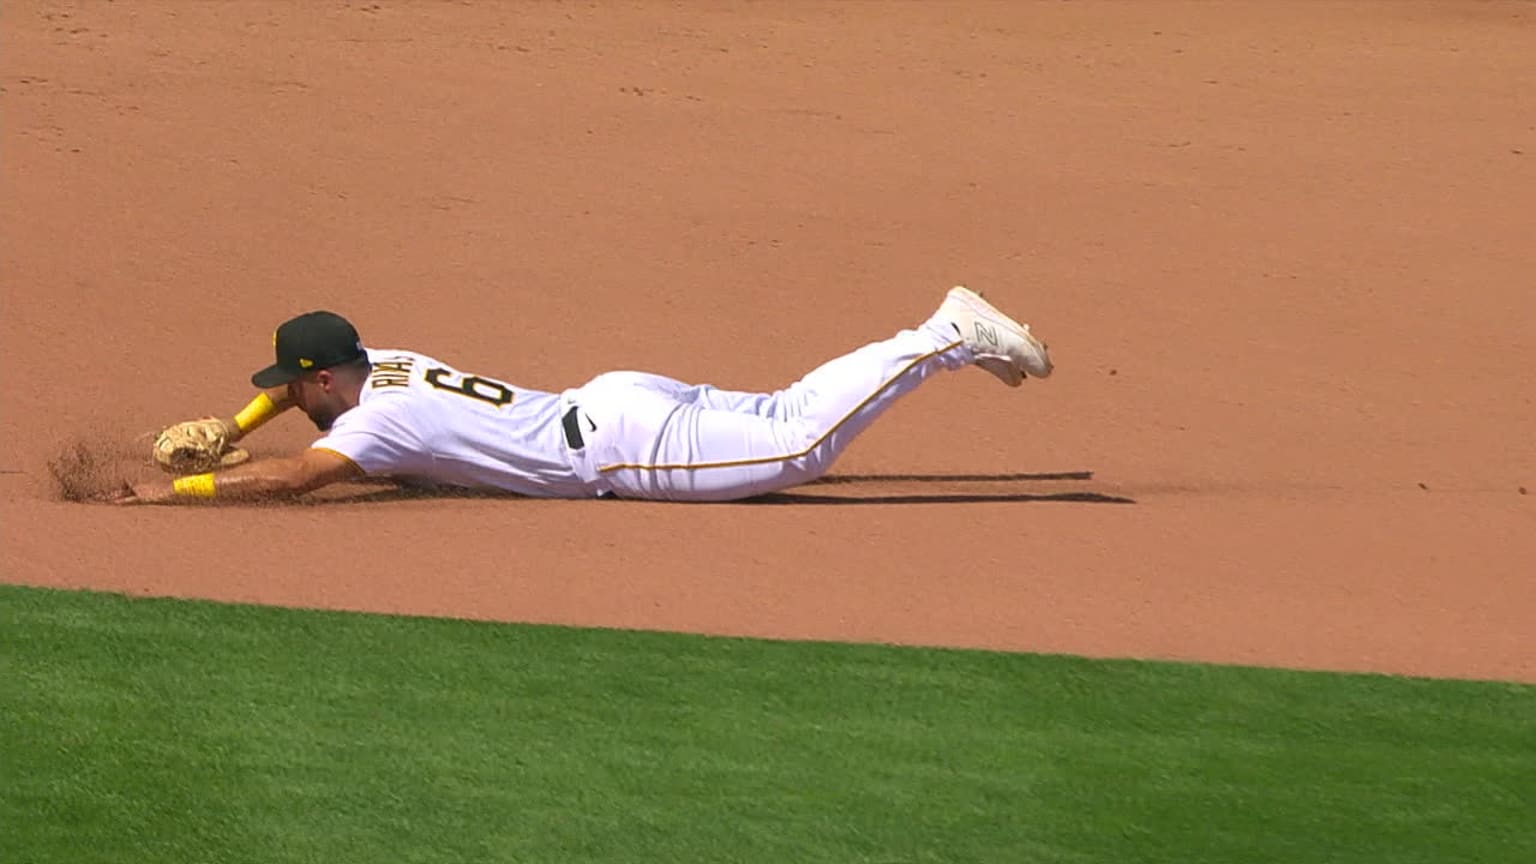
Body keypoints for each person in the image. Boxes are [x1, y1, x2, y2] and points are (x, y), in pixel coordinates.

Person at [108, 286, 1052, 505]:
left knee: (800, 447)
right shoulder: (383, 361)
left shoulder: (377, 421)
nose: (285, 399)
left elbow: (296, 481)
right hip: (615, 394)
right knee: (778, 411)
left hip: (611, 449)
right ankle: (942, 338)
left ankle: (945, 338)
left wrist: (182, 492)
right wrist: (232, 427)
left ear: (323, 379)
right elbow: (302, 411)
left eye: (289, 388)